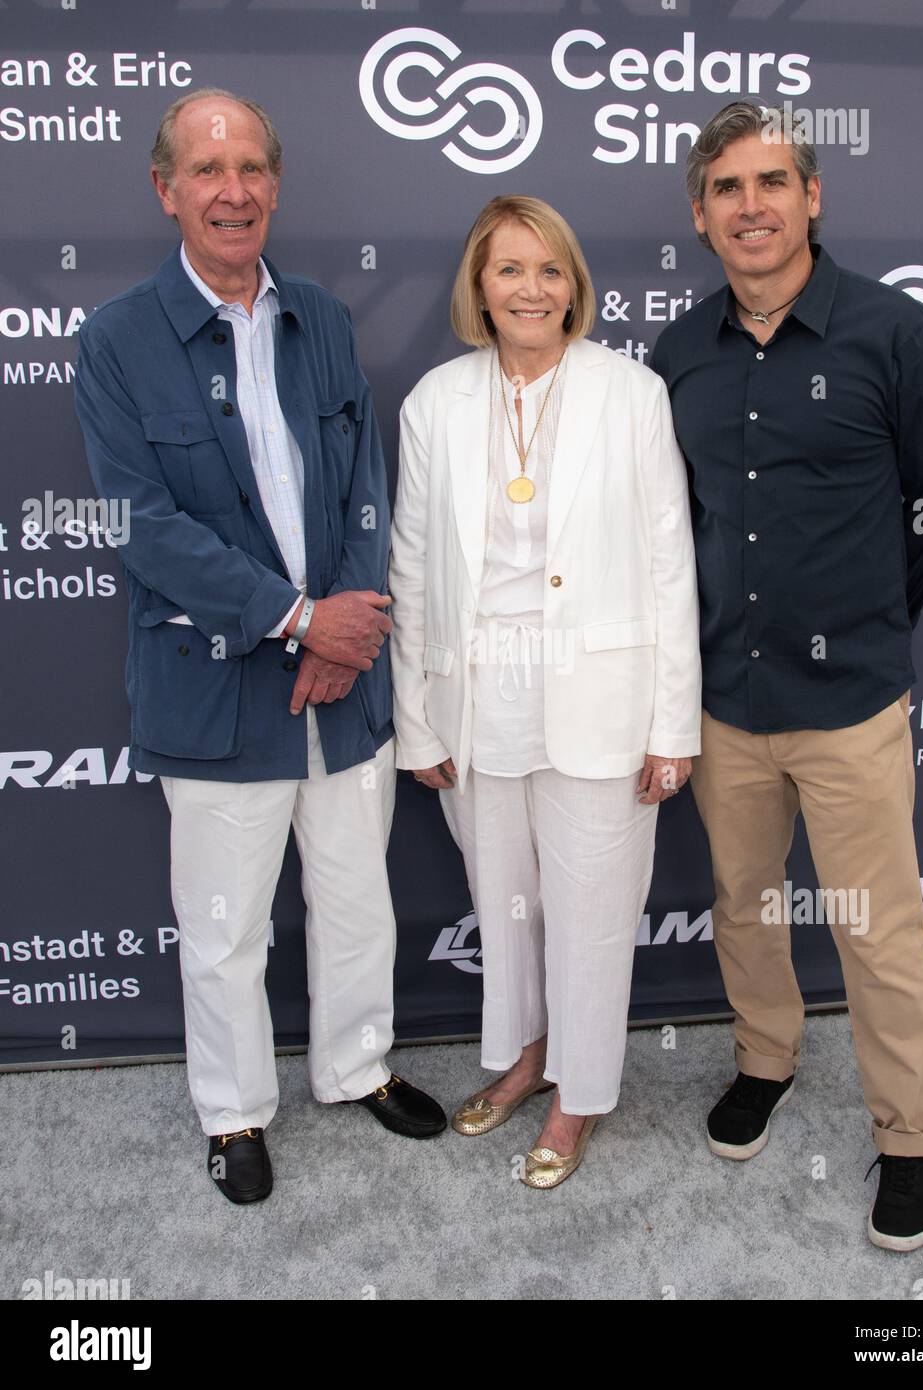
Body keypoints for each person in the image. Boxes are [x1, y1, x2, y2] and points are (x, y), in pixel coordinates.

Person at [74, 88, 446, 1206]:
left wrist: (349, 618)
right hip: (216, 694)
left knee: (354, 897)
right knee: (227, 926)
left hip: (345, 680)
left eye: (249, 169)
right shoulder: (116, 342)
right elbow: (144, 526)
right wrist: (294, 620)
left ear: (275, 186)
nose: (231, 191)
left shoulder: (321, 320)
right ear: (165, 189)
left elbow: (367, 486)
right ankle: (233, 1111)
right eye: (206, 169)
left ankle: (357, 1067)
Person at [651, 101, 923, 1249]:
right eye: (727, 188)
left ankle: (909, 1134)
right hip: (723, 704)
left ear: (811, 196)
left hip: (848, 706)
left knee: (878, 930)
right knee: (743, 904)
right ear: (700, 214)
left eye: (771, 182)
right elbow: (671, 527)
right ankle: (765, 1060)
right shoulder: (677, 354)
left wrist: (864, 625)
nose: (751, 206)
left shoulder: (892, 335)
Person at [389, 195, 701, 1189]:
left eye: (550, 269)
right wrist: (417, 715)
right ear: (478, 285)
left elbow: (668, 560)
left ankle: (579, 1093)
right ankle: (524, 1057)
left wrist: (671, 723)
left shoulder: (630, 392)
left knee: (594, 909)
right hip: (478, 697)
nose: (531, 288)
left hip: (601, 696)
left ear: (575, 284)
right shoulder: (435, 401)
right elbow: (410, 567)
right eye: (509, 269)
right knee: (507, 905)